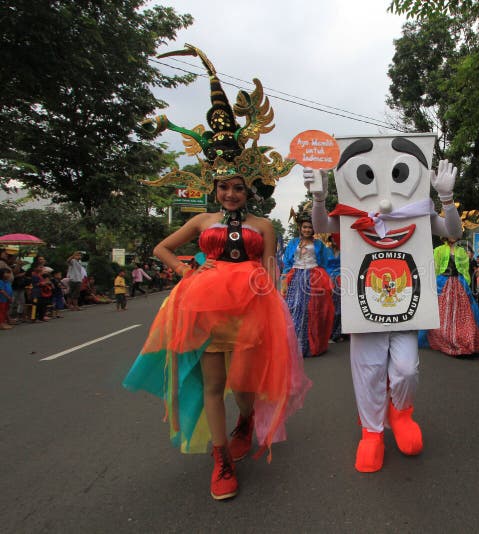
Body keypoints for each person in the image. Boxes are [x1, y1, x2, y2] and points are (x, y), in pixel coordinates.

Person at [123, 44, 309, 501]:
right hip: (203, 307)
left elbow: (268, 264)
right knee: (214, 383)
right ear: (215, 187)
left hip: (252, 307)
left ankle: (247, 419)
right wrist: (187, 271)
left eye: (237, 187)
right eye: (223, 187)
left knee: (245, 382)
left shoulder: (263, 225)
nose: (230, 193)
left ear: (248, 189)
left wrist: (275, 304)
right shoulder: (201, 222)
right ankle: (221, 459)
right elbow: (162, 248)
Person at [307, 136, 462, 473]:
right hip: (365, 310)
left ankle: (401, 411)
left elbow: (453, 232)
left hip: (405, 308)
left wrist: (446, 199)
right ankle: (372, 432)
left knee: (406, 369)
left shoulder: (417, 212)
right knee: (369, 371)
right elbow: (321, 226)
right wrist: (319, 198)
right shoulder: (352, 214)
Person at [420, 237, 479, 356]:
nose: (452, 236)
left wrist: (466, 283)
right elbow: (434, 267)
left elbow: (465, 269)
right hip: (442, 282)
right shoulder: (438, 250)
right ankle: (444, 338)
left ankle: (465, 339)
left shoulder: (462, 251)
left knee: (463, 313)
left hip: (459, 283)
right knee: (442, 313)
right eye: (450, 233)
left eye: (454, 233)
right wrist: (433, 283)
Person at [281, 218, 335, 357]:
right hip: (295, 276)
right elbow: (287, 262)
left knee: (310, 310)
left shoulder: (319, 245)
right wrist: (284, 280)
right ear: (300, 228)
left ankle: (306, 345)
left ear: (314, 230)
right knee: (292, 307)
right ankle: (291, 346)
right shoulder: (293, 243)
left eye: (310, 228)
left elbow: (324, 262)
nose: (307, 230)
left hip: (313, 278)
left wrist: (325, 280)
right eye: (305, 227)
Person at [326, 234, 344, 343]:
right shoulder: (326, 250)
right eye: (333, 240)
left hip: (343, 279)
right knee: (328, 308)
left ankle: (337, 333)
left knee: (340, 309)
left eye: (337, 240)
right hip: (327, 279)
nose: (335, 242)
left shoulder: (345, 250)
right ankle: (328, 333)